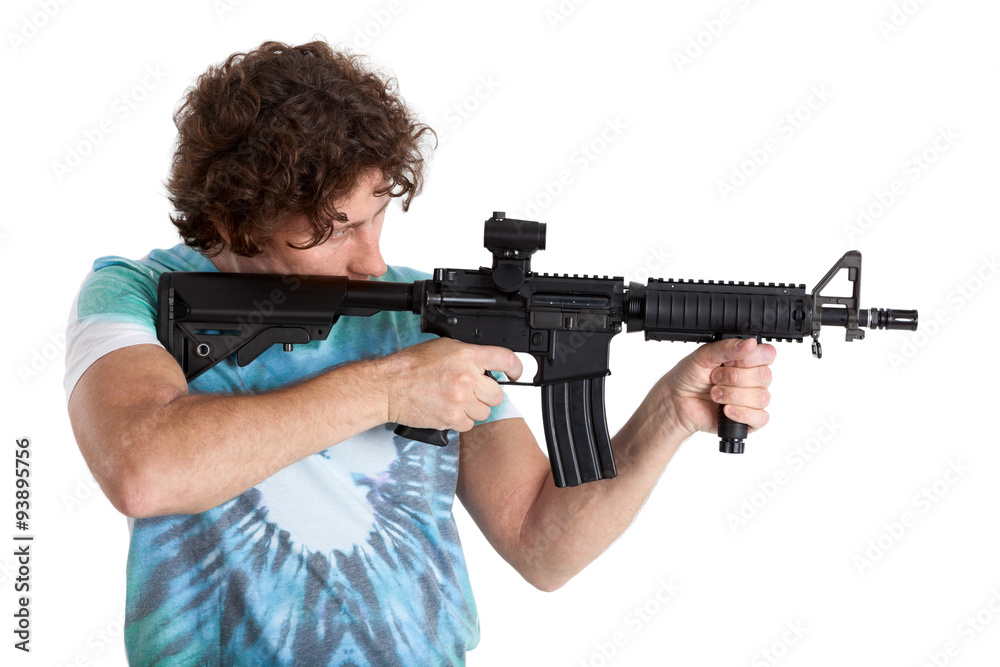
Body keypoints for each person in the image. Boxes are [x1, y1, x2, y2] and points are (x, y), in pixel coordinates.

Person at [65, 40, 776, 665]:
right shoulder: (131, 294)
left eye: (379, 215)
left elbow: (540, 544)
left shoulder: (427, 312)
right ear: (236, 222)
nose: (374, 260)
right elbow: (143, 468)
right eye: (335, 230)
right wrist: (388, 391)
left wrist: (670, 417)